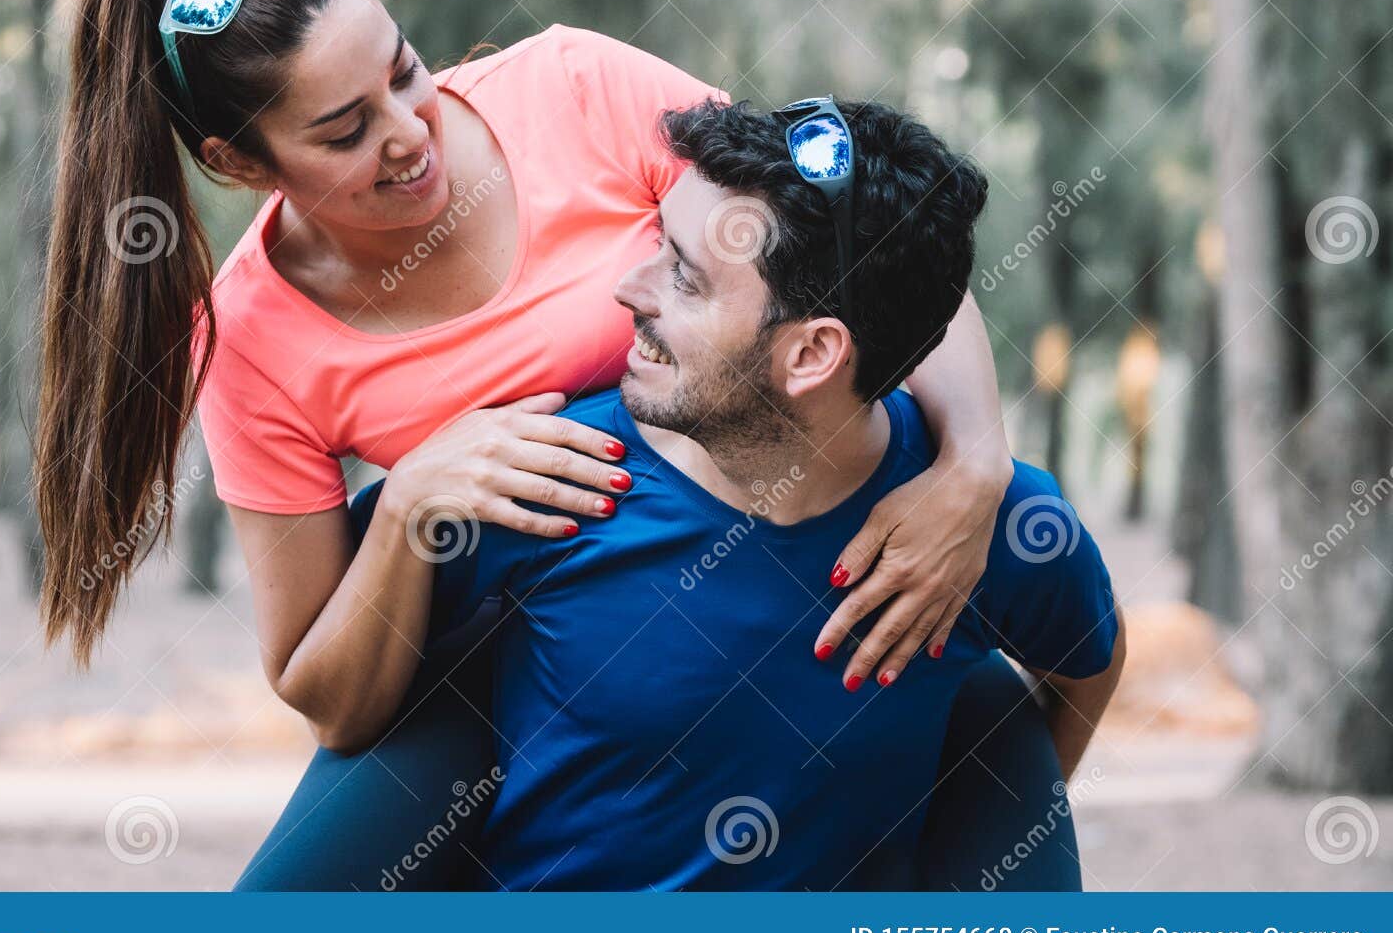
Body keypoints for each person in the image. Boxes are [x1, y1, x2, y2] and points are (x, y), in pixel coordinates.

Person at [34, 0, 1035, 890]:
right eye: (344, 131)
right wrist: (409, 507)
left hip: (785, 572)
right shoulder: (253, 335)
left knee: (978, 722)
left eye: (402, 70)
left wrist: (975, 463)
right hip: (513, 660)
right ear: (240, 163)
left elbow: (863, 245)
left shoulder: (574, 85)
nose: (408, 131)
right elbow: (326, 693)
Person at [335, 97, 1124, 889]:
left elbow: (1088, 657)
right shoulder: (542, 469)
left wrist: (982, 827)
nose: (629, 289)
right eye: (659, 245)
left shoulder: (987, 527)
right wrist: (405, 499)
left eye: (685, 278)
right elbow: (338, 698)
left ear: (813, 352)